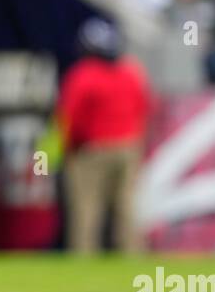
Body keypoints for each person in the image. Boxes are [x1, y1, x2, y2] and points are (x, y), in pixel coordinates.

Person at [56, 19, 150, 256]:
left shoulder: (82, 74)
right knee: (126, 207)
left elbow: (69, 120)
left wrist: (62, 152)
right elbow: (143, 107)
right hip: (129, 146)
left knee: (87, 209)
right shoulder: (131, 71)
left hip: (92, 150)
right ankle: (133, 256)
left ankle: (85, 257)